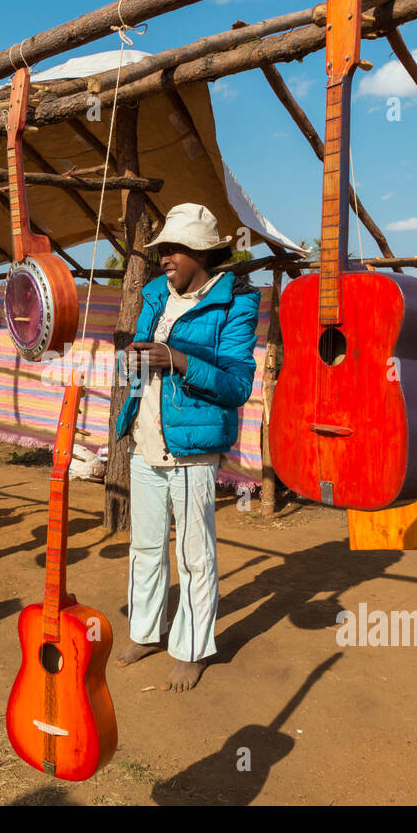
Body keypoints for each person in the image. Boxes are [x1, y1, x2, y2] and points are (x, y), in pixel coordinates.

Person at [113, 203, 260, 692]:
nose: (165, 260)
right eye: (163, 252)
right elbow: (136, 355)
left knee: (195, 553)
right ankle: (146, 631)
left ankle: (193, 648)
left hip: (193, 449)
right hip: (147, 438)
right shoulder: (156, 293)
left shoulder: (234, 302)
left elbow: (237, 385)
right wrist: (130, 363)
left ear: (200, 252)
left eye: (174, 250)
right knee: (145, 546)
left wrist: (176, 359)